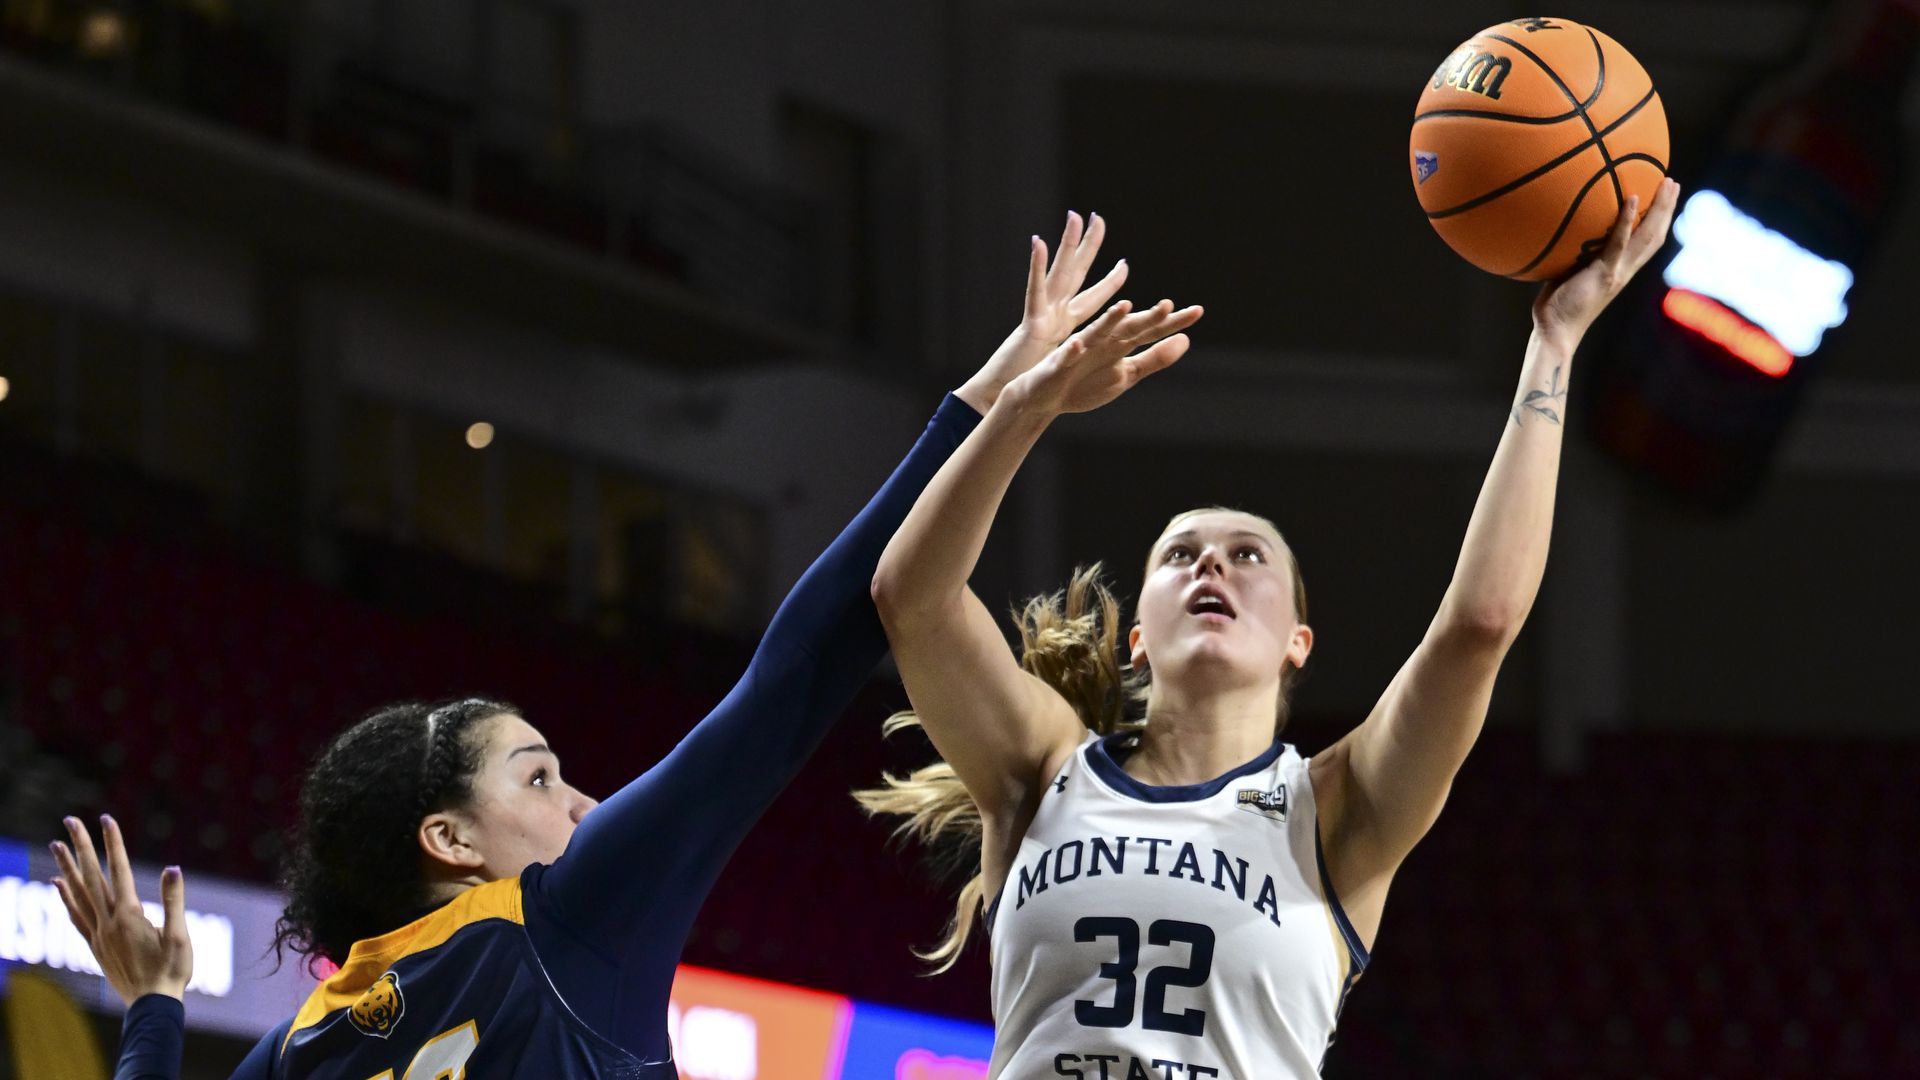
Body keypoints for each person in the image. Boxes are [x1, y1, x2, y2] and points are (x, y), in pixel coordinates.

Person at [48, 211, 1152, 1080]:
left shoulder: (301, 1051)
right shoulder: (556, 924)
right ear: (449, 839)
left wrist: (154, 1009)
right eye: (538, 777)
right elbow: (798, 670)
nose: (583, 803)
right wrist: (994, 402)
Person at [857, 181, 1682, 1077]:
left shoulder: (1336, 809)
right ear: (1139, 637)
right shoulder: (1042, 769)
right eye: (1180, 555)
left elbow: (1480, 623)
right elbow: (912, 598)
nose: (1210, 566)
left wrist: (1554, 343)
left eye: (1247, 555)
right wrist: (1025, 408)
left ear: (1298, 640)